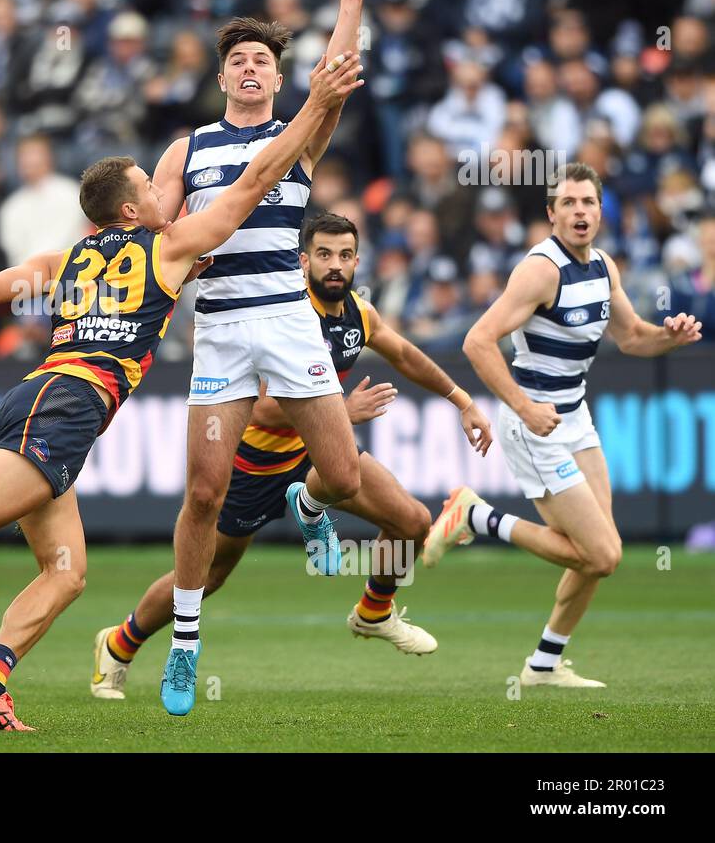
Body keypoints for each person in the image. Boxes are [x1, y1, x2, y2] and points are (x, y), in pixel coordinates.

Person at [0, 53, 365, 732]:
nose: (160, 192)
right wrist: (316, 105)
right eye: (149, 185)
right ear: (128, 208)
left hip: (42, 400)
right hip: (63, 409)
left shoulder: (64, 261)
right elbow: (260, 178)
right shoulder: (166, 252)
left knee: (66, 572)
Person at [91, 212, 493, 698]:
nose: (335, 266)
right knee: (206, 575)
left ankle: (373, 611)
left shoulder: (358, 315)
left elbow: (405, 356)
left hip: (319, 450)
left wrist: (463, 401)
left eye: (345, 256)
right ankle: (118, 643)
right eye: (324, 254)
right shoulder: (281, 313)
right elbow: (257, 407)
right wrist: (340, 411)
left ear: (357, 261)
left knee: (410, 521)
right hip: (254, 463)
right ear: (302, 261)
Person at [148, 0, 393, 716]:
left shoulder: (302, 137)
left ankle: (309, 507)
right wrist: (186, 242)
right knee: (203, 494)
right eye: (238, 60)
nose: (251, 68)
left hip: (288, 323)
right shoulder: (187, 150)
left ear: (279, 79)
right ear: (221, 78)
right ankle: (185, 644)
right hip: (220, 328)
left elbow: (339, 69)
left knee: (346, 478)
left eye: (262, 60)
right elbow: (157, 233)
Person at [425, 163, 702, 687]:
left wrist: (672, 336)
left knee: (594, 556)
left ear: (600, 212)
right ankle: (476, 517)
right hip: (534, 425)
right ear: (551, 213)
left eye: (588, 202)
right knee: (604, 554)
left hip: (576, 419)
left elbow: (634, 337)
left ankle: (544, 665)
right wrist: (524, 408)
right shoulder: (540, 270)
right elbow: (477, 341)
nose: (579, 211)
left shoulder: (603, 267)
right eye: (568, 203)